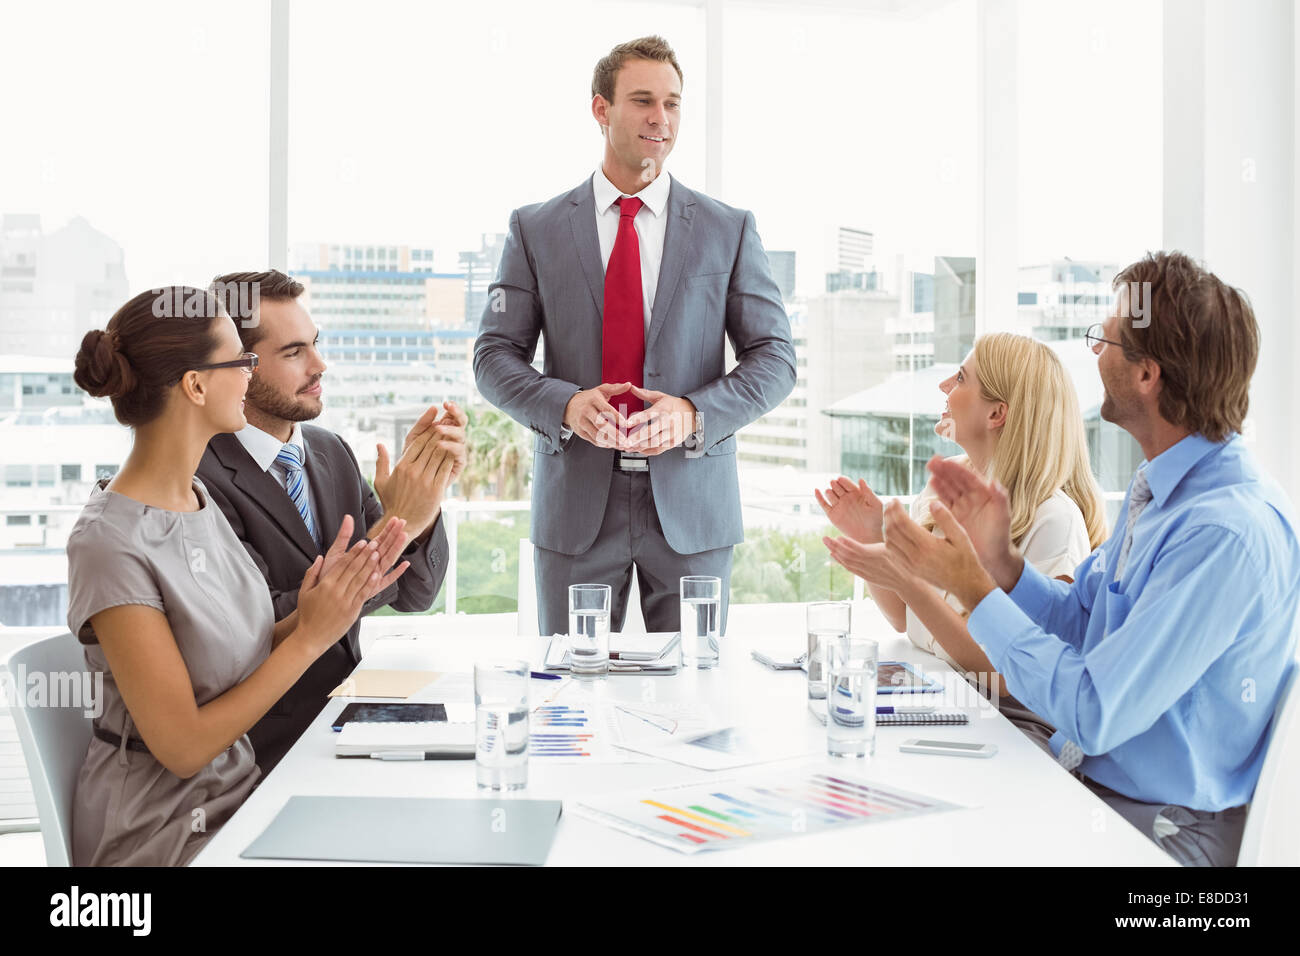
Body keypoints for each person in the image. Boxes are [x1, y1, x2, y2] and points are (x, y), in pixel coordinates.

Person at [881, 251, 1300, 867]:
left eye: (1105, 340)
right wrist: (1001, 565)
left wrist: (978, 592)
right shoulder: (1163, 495)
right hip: (1102, 796)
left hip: (1161, 837)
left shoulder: (1223, 533)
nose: (1095, 354)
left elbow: (1095, 710)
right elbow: (1082, 617)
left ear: (1147, 375)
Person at [67, 287, 410, 866]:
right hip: (168, 832)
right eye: (241, 361)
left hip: (246, 798)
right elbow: (184, 747)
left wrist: (323, 609)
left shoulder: (196, 498)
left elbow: (236, 656)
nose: (252, 377)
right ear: (196, 385)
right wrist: (307, 637)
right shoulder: (110, 541)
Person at [474, 35, 796, 635]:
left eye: (673, 104)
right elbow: (494, 356)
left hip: (692, 509)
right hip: (576, 507)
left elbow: (775, 358)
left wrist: (693, 413)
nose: (661, 118)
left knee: (697, 702)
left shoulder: (728, 229)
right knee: (570, 701)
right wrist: (565, 405)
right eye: (643, 101)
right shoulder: (536, 228)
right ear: (601, 109)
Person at [198, 270, 466, 773]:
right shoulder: (201, 479)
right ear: (238, 367)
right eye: (294, 352)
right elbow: (260, 626)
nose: (320, 365)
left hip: (350, 716)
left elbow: (414, 594)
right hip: (266, 746)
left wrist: (421, 508)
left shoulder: (330, 451)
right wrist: (399, 521)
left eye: (315, 344)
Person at [818, 333, 1107, 740]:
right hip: (940, 696)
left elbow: (1012, 680)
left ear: (996, 414)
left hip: (1009, 727)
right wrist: (871, 537)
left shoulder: (1054, 520)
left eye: (960, 377)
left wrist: (907, 579)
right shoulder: (947, 484)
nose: (944, 387)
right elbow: (906, 618)